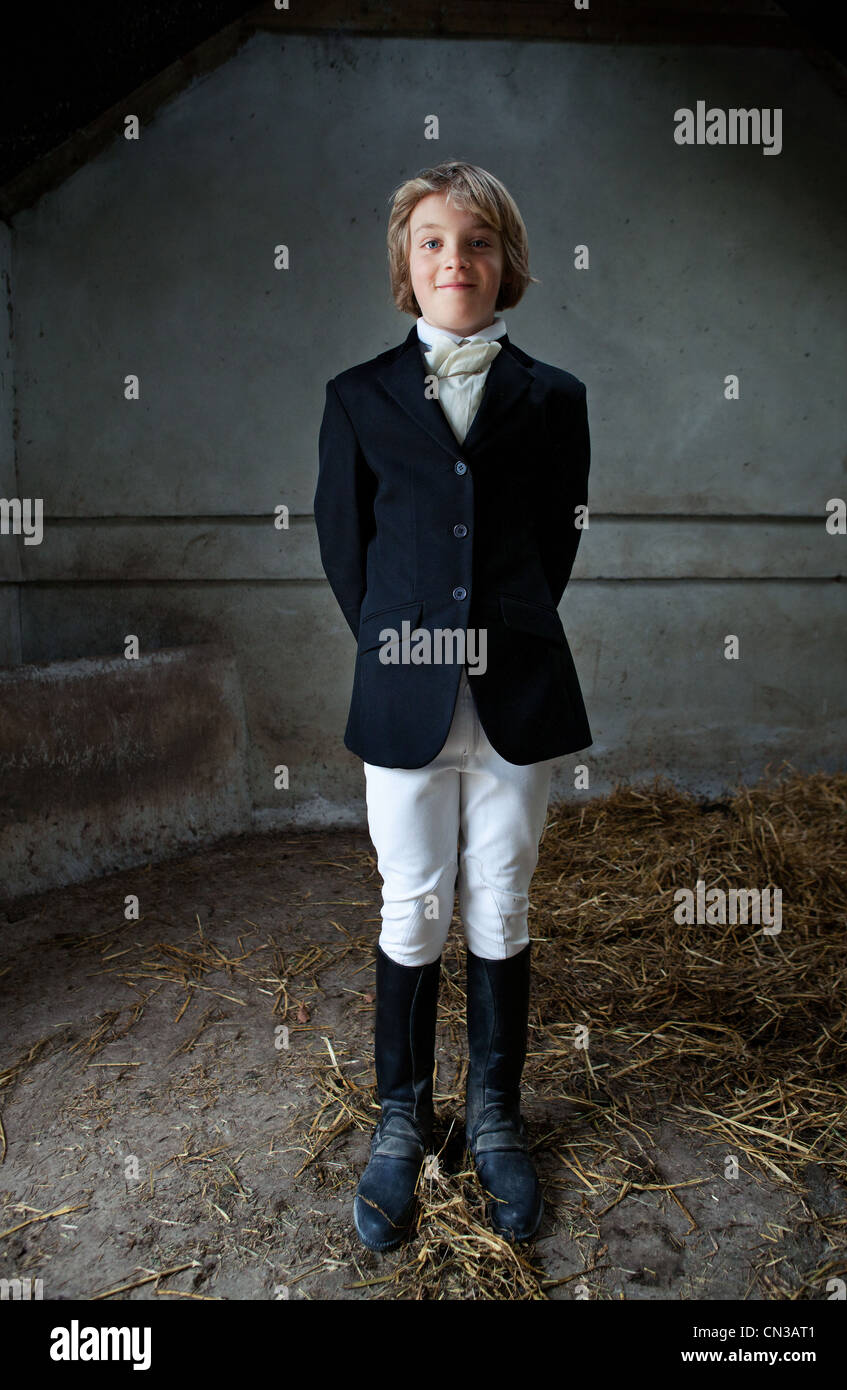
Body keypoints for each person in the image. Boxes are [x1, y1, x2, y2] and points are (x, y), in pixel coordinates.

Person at [314, 160, 592, 1251]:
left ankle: (493, 1114)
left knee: (502, 901)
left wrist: (495, 640)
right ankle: (399, 1118)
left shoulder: (554, 397)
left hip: (517, 687)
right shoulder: (357, 397)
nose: (453, 261)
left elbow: (556, 539)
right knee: (411, 902)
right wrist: (409, 654)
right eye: (430, 241)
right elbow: (350, 555)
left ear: (504, 263)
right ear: (405, 265)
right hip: (403, 693)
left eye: (474, 242)